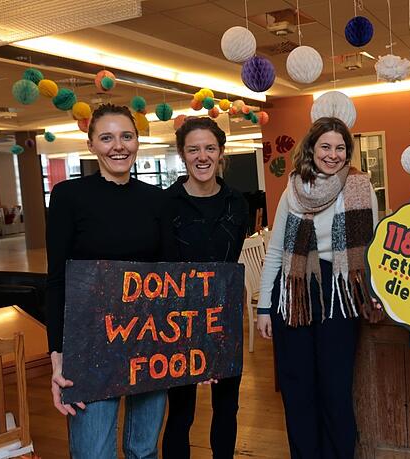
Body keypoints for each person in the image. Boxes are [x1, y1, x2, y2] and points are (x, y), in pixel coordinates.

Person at [46, 103, 173, 458]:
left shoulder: (157, 200)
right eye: (106, 138)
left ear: (137, 141)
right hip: (90, 345)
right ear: (91, 145)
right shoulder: (68, 197)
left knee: (144, 450)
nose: (118, 146)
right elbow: (56, 280)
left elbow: (171, 280)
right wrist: (58, 356)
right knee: (93, 452)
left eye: (126, 136)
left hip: (149, 341)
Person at [256, 117, 381, 458]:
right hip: (293, 294)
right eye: (326, 146)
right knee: (298, 390)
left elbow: (373, 247)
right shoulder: (294, 188)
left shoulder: (359, 187)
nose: (333, 154)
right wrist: (264, 307)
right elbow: (277, 251)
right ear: (311, 148)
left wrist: (375, 293)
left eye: (340, 148)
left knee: (335, 389)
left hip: (339, 294)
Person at [162, 116, 249, 459]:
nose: (202, 156)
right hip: (177, 324)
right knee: (181, 413)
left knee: (227, 408)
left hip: (224, 320)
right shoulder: (165, 205)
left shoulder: (237, 203)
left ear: (221, 153)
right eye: (193, 149)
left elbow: (230, 263)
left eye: (209, 148)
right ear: (182, 154)